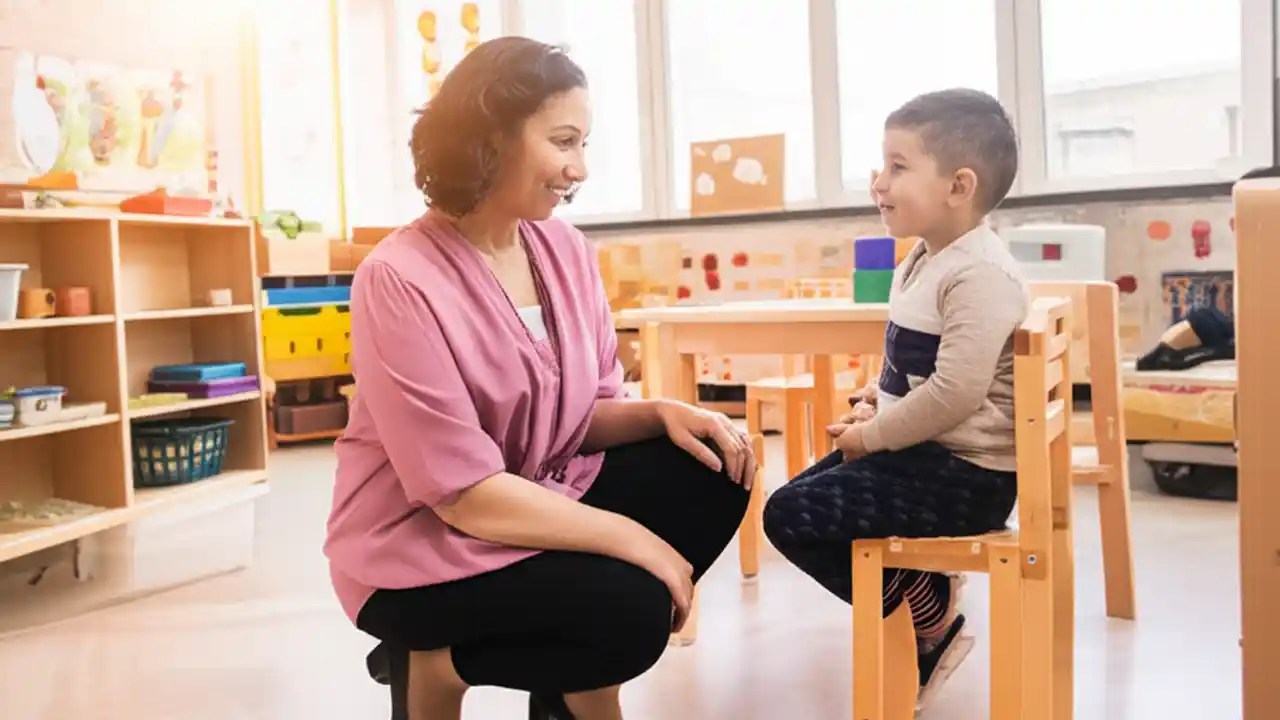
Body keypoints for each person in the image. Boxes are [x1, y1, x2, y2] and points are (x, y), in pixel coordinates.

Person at [324, 37, 753, 720]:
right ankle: (436, 663)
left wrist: (661, 412)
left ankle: (564, 693)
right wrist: (638, 543)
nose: (577, 168)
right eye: (563, 141)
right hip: (418, 546)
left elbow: (574, 416)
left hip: (530, 496)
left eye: (584, 143)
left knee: (714, 466)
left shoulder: (562, 247)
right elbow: (462, 495)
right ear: (491, 136)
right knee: (632, 608)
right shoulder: (397, 278)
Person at [763, 88, 1028, 709]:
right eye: (881, 165)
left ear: (958, 186)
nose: (878, 182)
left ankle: (928, 624)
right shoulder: (925, 258)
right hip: (930, 455)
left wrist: (874, 434)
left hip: (967, 477)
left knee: (791, 518)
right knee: (794, 502)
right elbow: (917, 367)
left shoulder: (979, 274)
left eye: (898, 167)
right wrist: (877, 399)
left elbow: (955, 392)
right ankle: (927, 598)